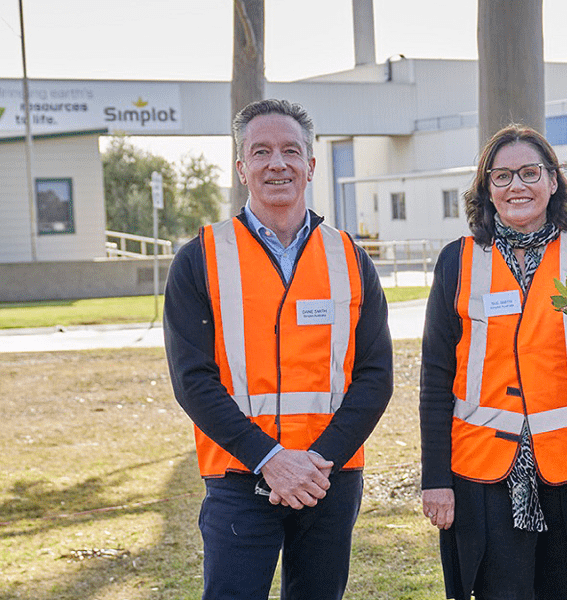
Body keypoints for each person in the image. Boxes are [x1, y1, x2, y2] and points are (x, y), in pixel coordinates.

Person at [164, 98, 392, 600]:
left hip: (328, 477)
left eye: (291, 151)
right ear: (242, 166)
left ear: (311, 165)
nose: (277, 163)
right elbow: (192, 380)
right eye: (261, 151)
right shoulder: (200, 258)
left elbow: (375, 376)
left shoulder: (350, 257)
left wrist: (316, 463)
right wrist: (269, 458)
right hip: (238, 476)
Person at [418, 126, 567, 599]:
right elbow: (435, 378)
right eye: (501, 176)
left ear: (553, 181)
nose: (516, 186)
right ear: (487, 189)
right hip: (482, 475)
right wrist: (435, 480)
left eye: (530, 173)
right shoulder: (458, 261)